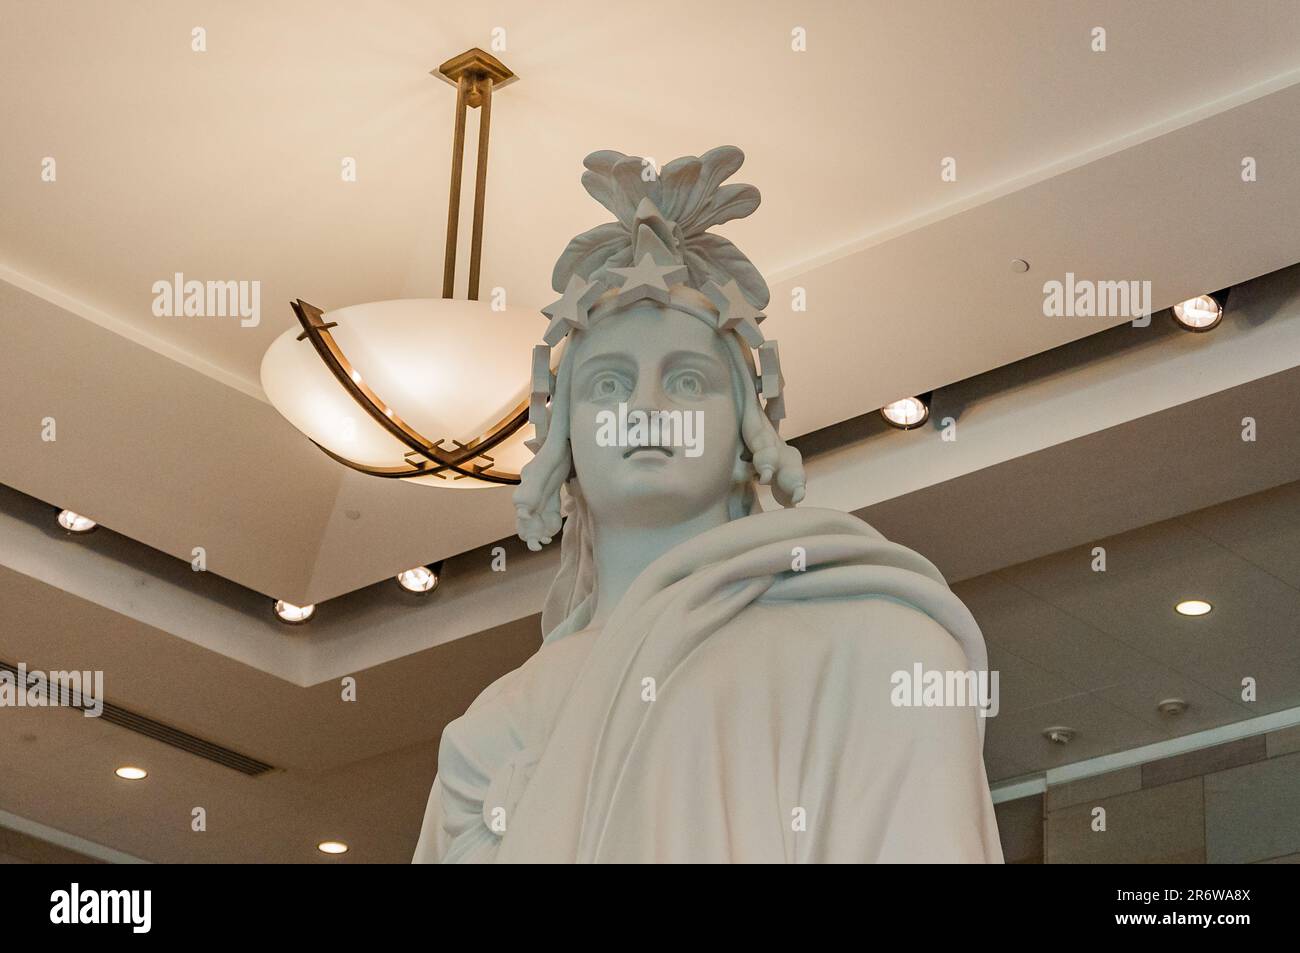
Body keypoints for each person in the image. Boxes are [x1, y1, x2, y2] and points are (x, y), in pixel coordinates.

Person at [414, 147, 1002, 863]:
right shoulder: (488, 733)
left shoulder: (876, 651)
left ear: (749, 434)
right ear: (562, 437)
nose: (647, 408)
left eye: (688, 381)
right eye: (607, 384)